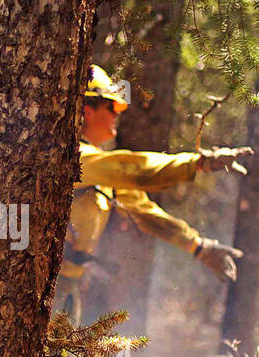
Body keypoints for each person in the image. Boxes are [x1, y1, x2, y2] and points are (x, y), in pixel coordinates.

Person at [57, 65, 248, 324]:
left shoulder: (97, 169)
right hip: (46, 288)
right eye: (110, 108)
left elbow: (146, 213)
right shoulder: (74, 158)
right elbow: (135, 169)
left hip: (67, 288)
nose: (117, 115)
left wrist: (199, 247)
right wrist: (197, 164)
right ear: (87, 112)